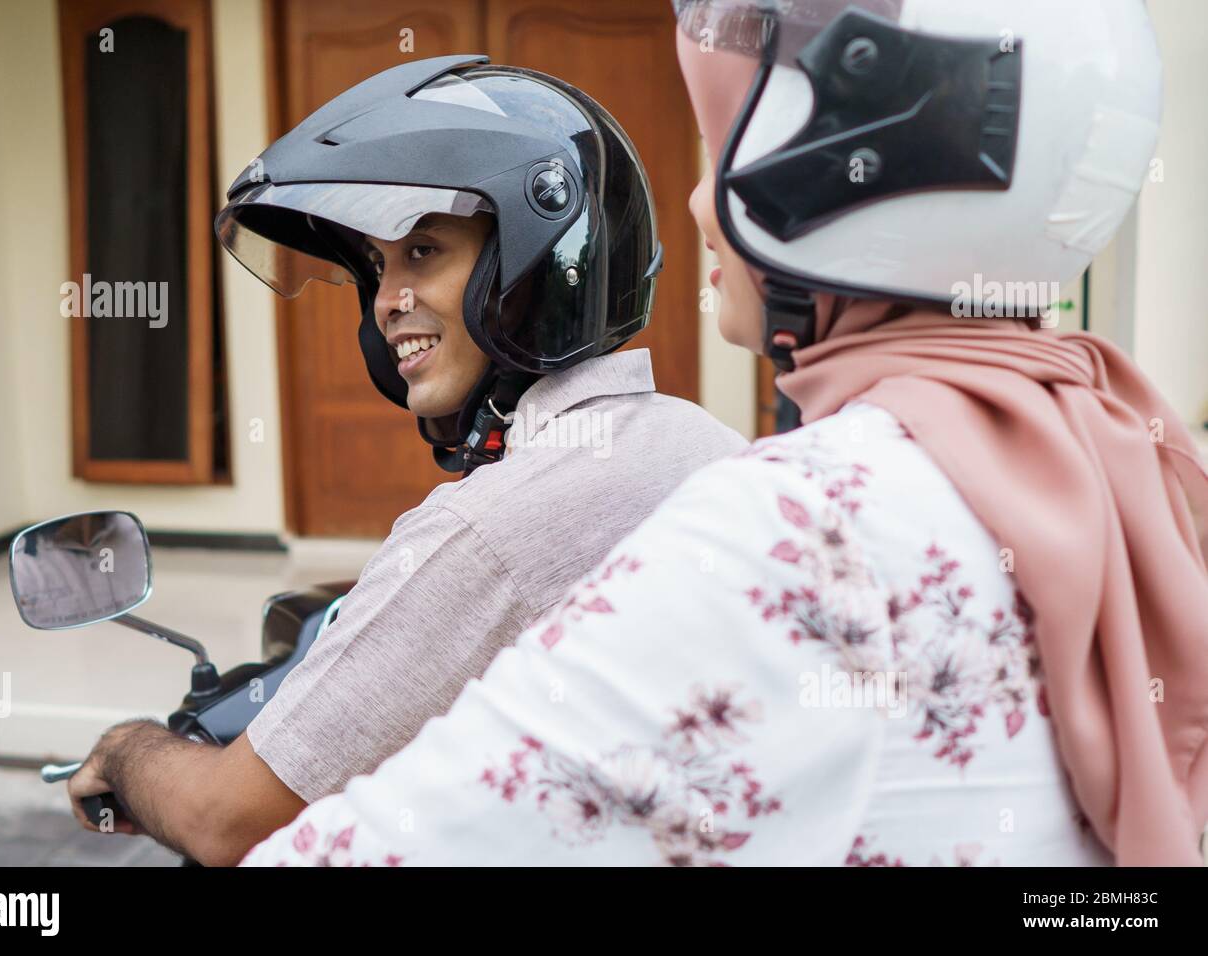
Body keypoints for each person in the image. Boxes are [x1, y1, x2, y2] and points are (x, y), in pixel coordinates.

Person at [241, 0, 1208, 867]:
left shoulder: (791, 527)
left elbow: (343, 850)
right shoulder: (1130, 455)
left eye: (725, 152)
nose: (699, 206)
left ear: (844, 175)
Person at [65, 56, 746, 865]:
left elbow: (227, 821)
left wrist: (122, 750)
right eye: (380, 267)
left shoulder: (483, 531)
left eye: (424, 251)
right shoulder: (698, 438)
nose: (388, 300)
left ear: (534, 271)